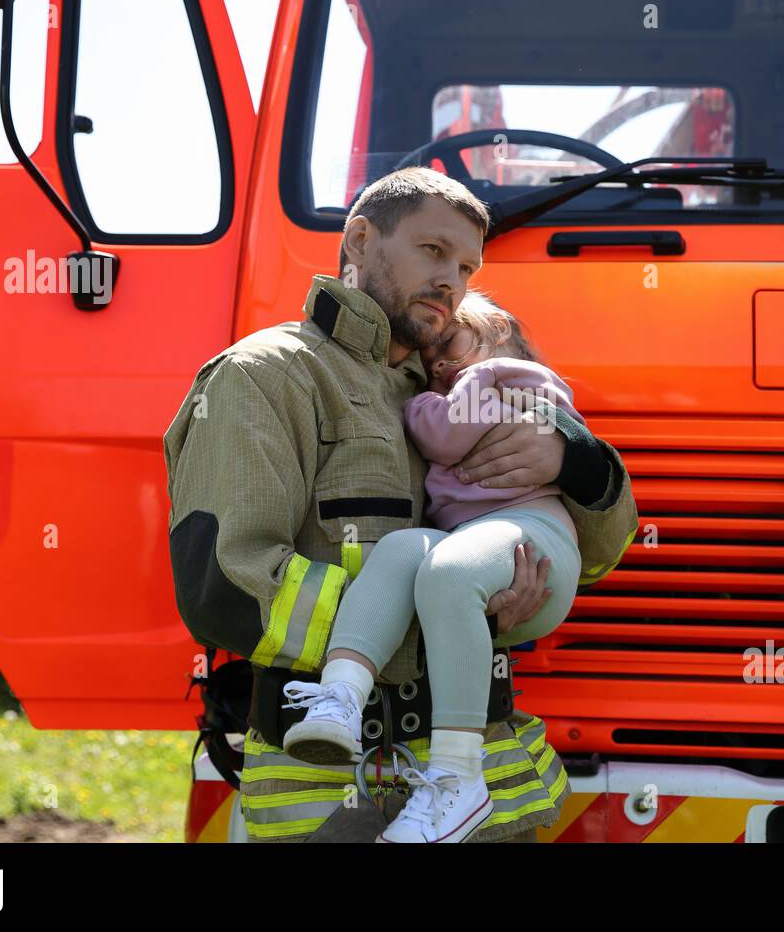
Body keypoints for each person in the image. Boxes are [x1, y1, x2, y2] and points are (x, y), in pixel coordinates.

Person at [164, 166, 637, 842]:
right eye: (432, 250)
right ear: (359, 240)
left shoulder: (462, 384)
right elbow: (226, 590)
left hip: (488, 791)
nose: (452, 279)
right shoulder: (262, 377)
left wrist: (578, 462)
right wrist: (450, 614)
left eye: (468, 266)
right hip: (328, 798)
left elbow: (598, 555)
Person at [280, 292, 585, 842]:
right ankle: (340, 698)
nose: (439, 362)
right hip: (468, 549)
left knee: (447, 571)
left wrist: (469, 379)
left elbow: (446, 434)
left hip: (533, 539)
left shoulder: (518, 378)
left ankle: (457, 775)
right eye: (430, 357)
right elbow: (435, 428)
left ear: (501, 335)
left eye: (451, 343)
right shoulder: (443, 398)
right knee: (400, 551)